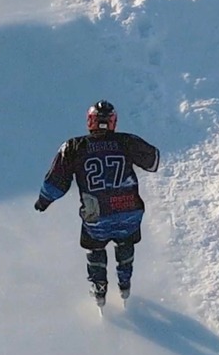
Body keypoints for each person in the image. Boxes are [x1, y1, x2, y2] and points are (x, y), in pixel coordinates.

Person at [34, 100, 161, 306]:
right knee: (126, 241)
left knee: (94, 246)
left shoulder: (74, 147)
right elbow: (153, 160)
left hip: (97, 215)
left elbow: (56, 182)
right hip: (128, 210)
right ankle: (125, 282)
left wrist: (43, 201)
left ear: (90, 121)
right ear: (113, 122)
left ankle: (99, 286)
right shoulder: (126, 141)